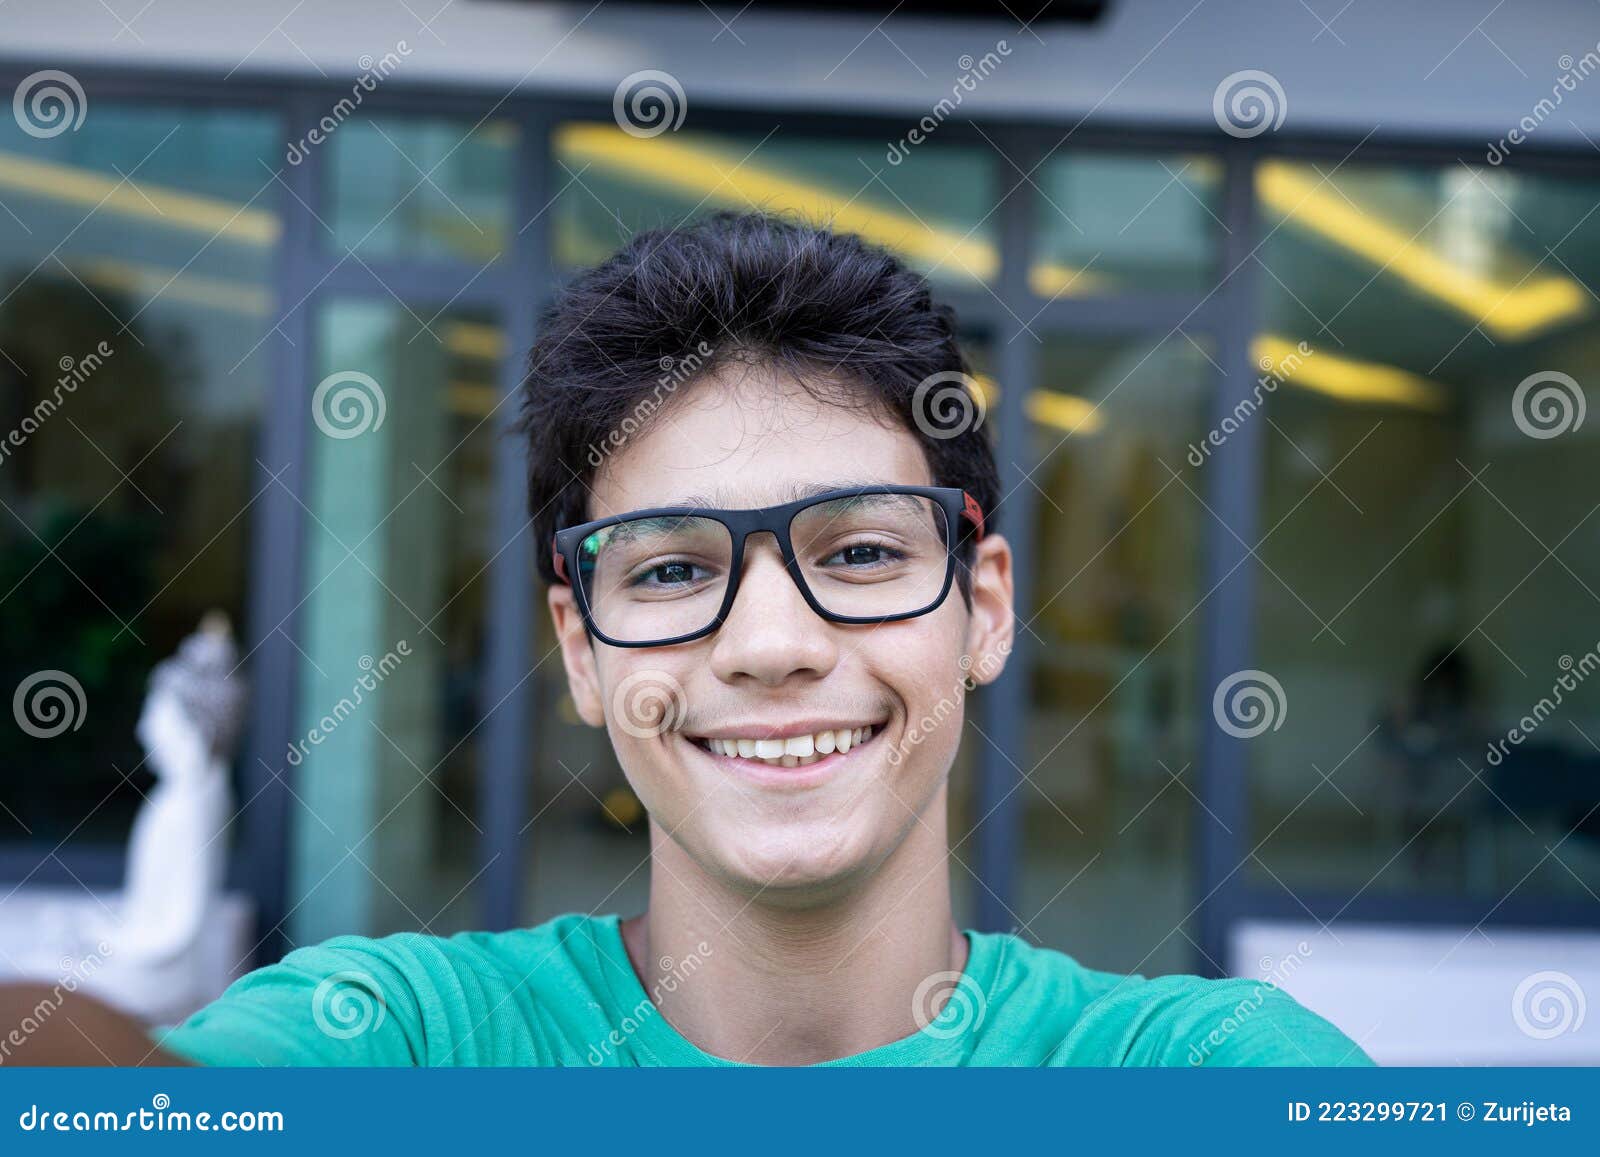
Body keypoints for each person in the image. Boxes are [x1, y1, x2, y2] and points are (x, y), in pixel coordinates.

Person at [1, 213, 1372, 1067]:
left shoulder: (1194, 1071)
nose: (770, 641)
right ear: (582, 651)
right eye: (668, 569)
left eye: (860, 551)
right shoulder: (409, 1042)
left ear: (987, 608)